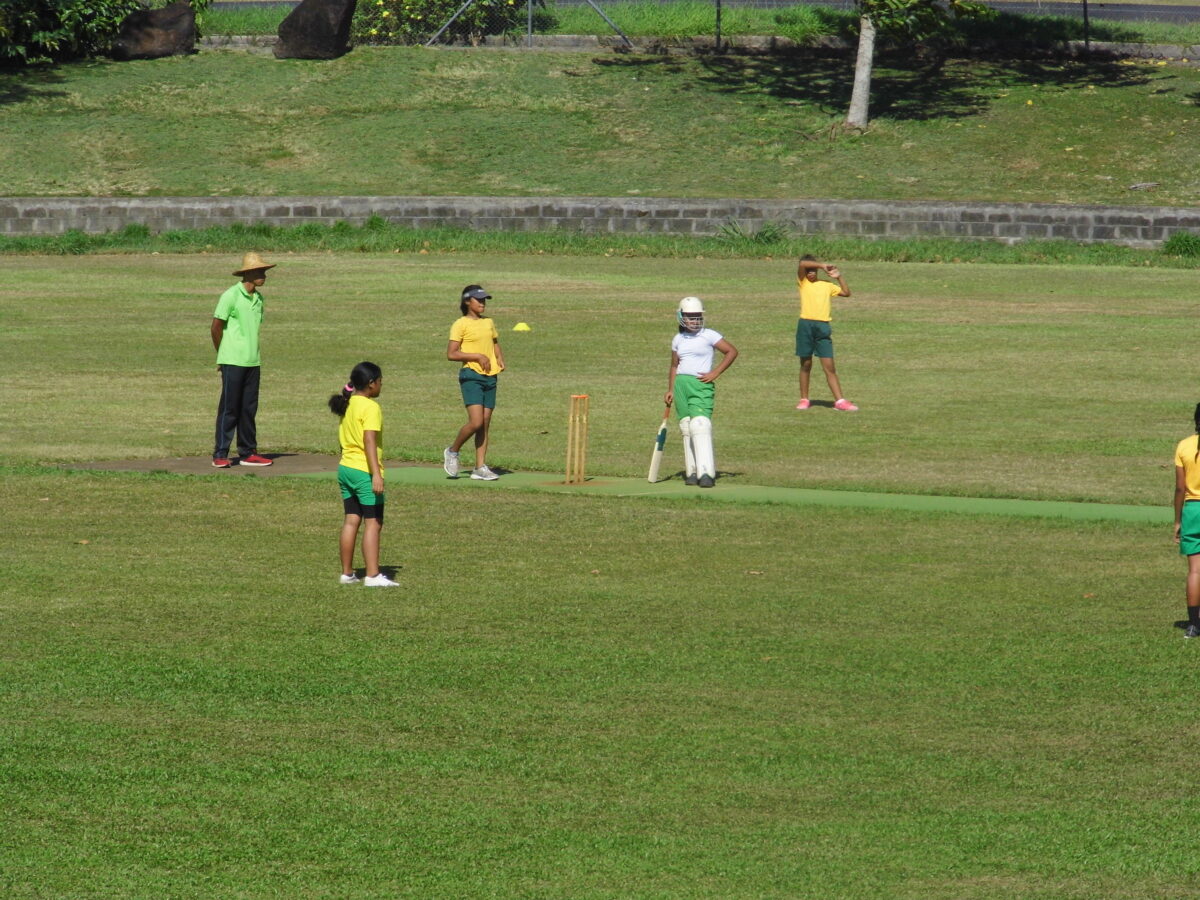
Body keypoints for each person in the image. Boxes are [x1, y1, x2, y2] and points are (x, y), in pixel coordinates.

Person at [329, 362, 398, 588]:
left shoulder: (348, 404)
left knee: (351, 520)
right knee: (373, 522)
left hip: (345, 468)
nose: (381, 385)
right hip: (363, 471)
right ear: (371, 384)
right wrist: (376, 474)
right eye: (380, 382)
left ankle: (347, 573)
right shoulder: (370, 408)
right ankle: (372, 575)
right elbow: (369, 440)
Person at [665, 296, 738, 488]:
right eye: (691, 317)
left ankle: (706, 473)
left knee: (700, 424)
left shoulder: (709, 335)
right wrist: (671, 389)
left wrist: (715, 373)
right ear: (681, 317)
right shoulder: (678, 339)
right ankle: (692, 471)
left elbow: (731, 351)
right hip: (681, 384)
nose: (695, 320)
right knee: (686, 426)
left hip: (700, 384)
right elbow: (674, 365)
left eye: (698, 316)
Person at [211, 252, 276, 468]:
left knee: (249, 408)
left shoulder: (259, 299)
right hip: (232, 361)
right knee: (230, 407)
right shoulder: (231, 295)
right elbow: (216, 327)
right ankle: (220, 453)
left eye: (265, 271)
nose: (264, 275)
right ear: (247, 273)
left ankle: (248, 452)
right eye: (260, 272)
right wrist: (223, 355)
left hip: (252, 361)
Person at [443, 284, 506, 481]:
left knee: (485, 423)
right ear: (467, 302)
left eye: (484, 300)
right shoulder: (460, 324)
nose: (482, 303)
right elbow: (452, 354)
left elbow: (494, 343)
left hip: (491, 376)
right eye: (478, 300)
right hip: (471, 375)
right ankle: (453, 451)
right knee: (476, 421)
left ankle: (480, 467)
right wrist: (477, 356)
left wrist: (499, 358)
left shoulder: (488, 322)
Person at [795, 254, 857, 412]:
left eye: (813, 270)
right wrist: (822, 265)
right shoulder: (803, 283)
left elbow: (846, 292)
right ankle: (804, 399)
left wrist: (839, 277)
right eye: (808, 270)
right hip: (806, 325)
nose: (810, 273)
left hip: (823, 326)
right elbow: (802, 263)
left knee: (829, 366)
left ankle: (840, 401)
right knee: (806, 364)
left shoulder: (826, 284)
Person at [1173, 403, 1200, 636]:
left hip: (1192, 510)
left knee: (1195, 571)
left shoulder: (1184, 446)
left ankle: (1193, 625)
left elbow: (1180, 488)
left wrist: (1178, 520)